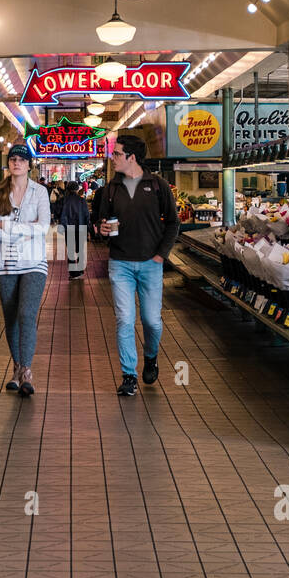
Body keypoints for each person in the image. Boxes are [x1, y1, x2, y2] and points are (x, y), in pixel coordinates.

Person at [97, 135, 179, 396]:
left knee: (152, 321)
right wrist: (101, 229)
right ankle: (129, 375)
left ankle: (151, 356)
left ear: (132, 157)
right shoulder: (110, 189)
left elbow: (173, 223)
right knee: (124, 320)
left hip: (150, 264)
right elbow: (99, 225)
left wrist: (160, 255)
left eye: (117, 154)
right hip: (120, 263)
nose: (114, 158)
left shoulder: (158, 186)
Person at [0, 143, 51, 396]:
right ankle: (17, 368)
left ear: (29, 164)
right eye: (13, 159)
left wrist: (7, 227)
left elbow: (43, 227)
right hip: (3, 263)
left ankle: (27, 371)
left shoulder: (39, 192)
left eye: (22, 159)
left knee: (26, 314)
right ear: (8, 163)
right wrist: (24, 228)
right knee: (11, 317)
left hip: (34, 262)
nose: (17, 162)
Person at [59, 181, 91, 280]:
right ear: (77, 189)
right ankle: (80, 270)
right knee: (80, 249)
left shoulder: (64, 200)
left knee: (71, 251)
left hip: (69, 229)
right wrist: (88, 229)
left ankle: (74, 273)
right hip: (81, 227)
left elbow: (61, 215)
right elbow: (86, 215)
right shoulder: (82, 201)